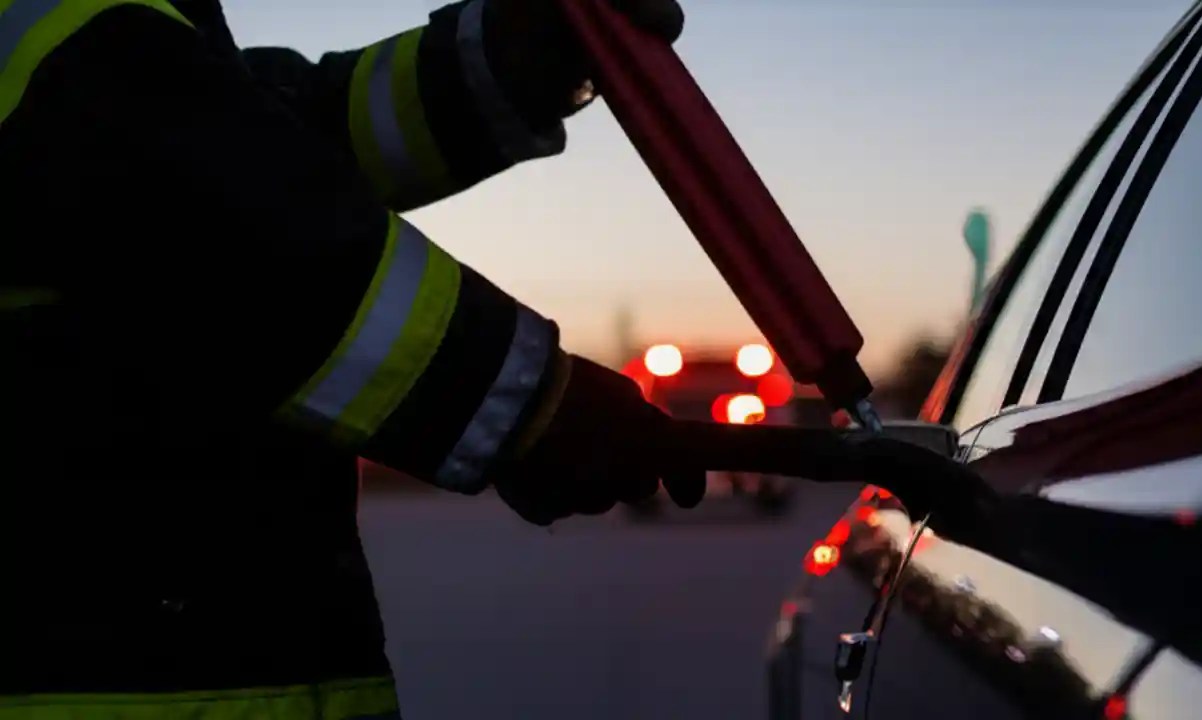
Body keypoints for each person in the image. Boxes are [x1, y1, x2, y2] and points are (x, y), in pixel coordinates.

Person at [0, 0, 704, 716]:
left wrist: (494, 65)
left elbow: (265, 136)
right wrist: (527, 404)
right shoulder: (68, 36)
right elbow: (206, 210)